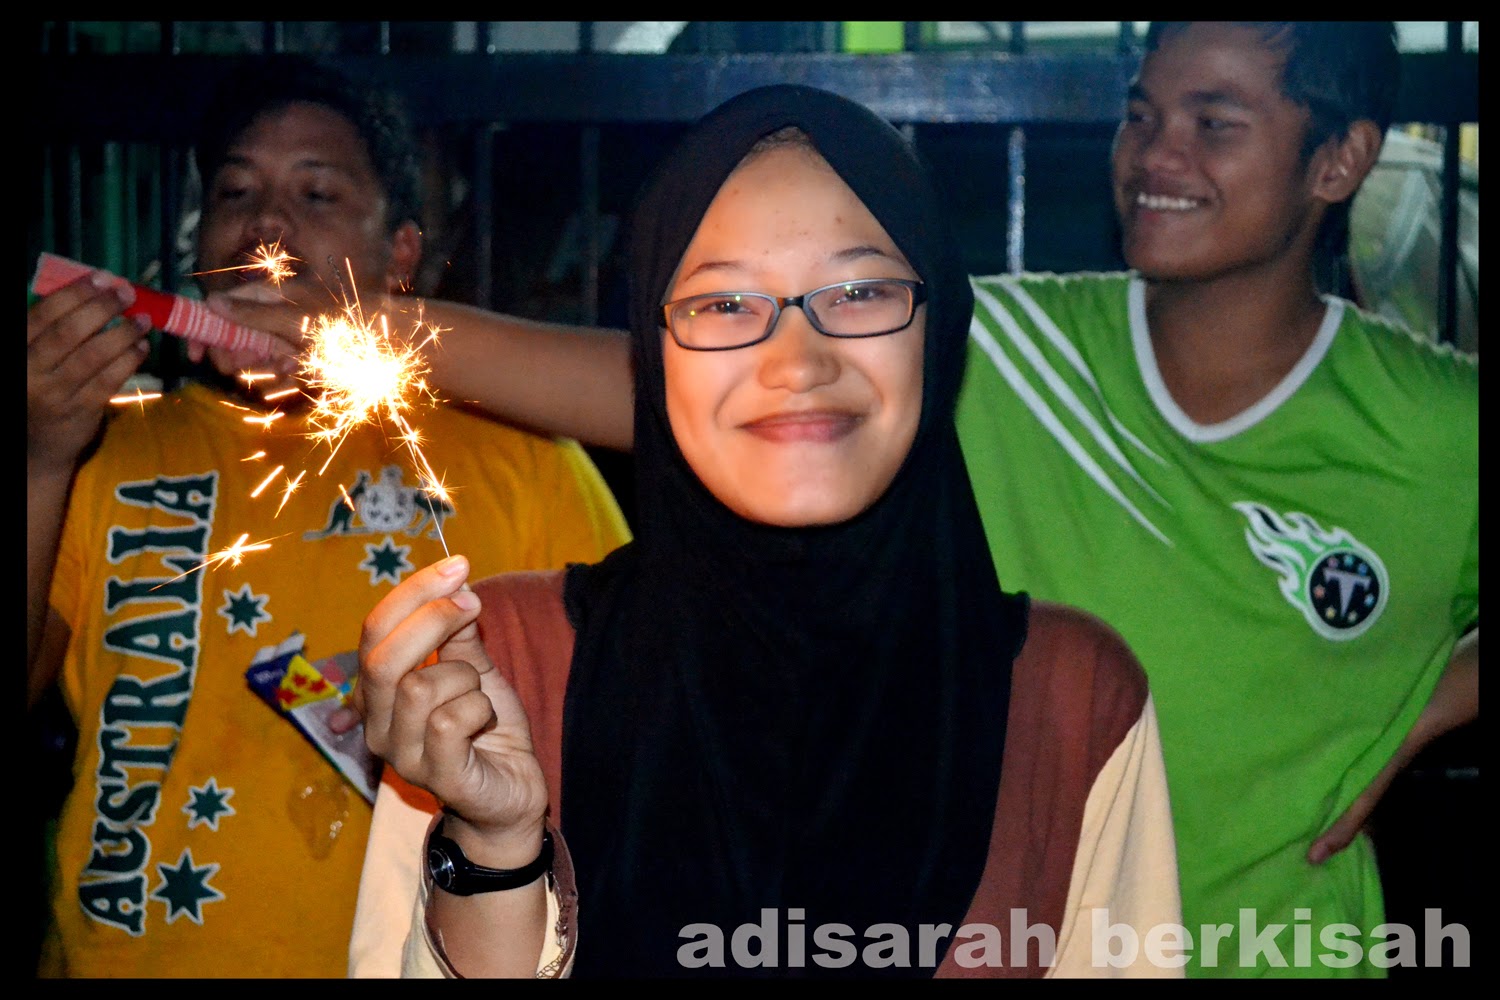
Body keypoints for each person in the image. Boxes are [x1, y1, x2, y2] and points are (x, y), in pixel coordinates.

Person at [275, 22, 1476, 979]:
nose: (798, 359)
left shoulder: (1419, 433)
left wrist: (1427, 704)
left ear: (1343, 157)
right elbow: (652, 384)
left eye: (1216, 123)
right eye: (1143, 113)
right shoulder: (509, 683)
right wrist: (352, 329)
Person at [352, 83, 1180, 980]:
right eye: (723, 306)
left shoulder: (1071, 698)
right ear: (652, 346)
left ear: (939, 332)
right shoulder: (498, 670)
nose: (797, 362)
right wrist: (495, 846)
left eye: (860, 292)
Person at [26, 55, 631, 978]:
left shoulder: (524, 457)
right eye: (235, 191)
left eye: (317, 194)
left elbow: (631, 726)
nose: (266, 222)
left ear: (399, 258)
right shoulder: (105, 442)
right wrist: (39, 456)